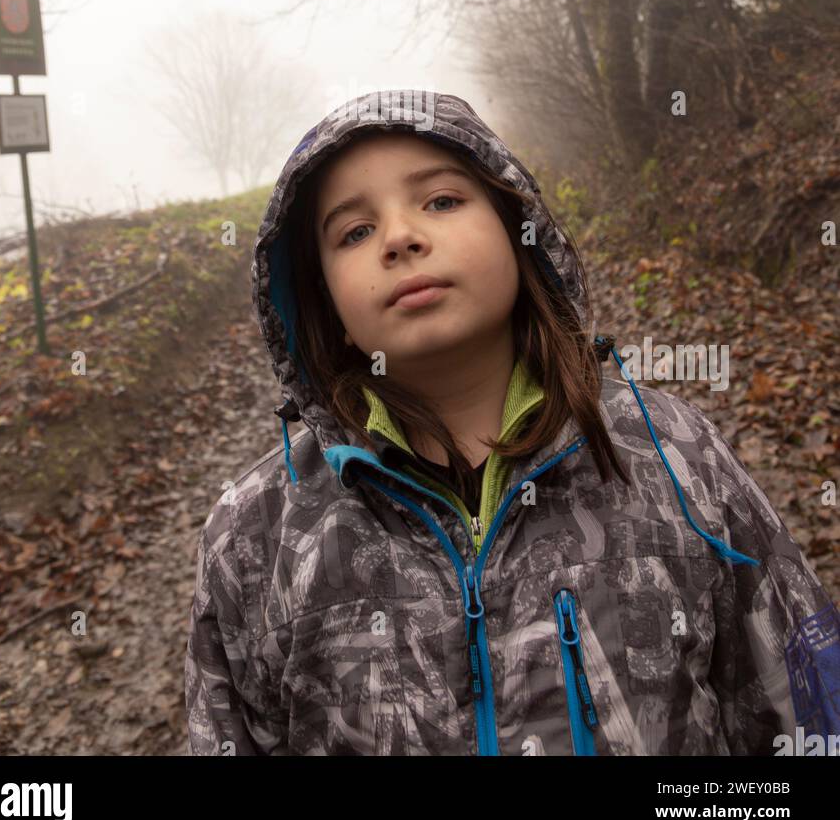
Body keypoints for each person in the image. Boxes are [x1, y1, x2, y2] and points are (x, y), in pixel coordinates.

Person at [184, 88, 839, 756]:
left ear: (518, 232)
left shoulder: (676, 457)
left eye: (441, 200)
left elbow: (804, 711)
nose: (401, 237)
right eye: (354, 232)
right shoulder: (256, 533)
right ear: (323, 304)